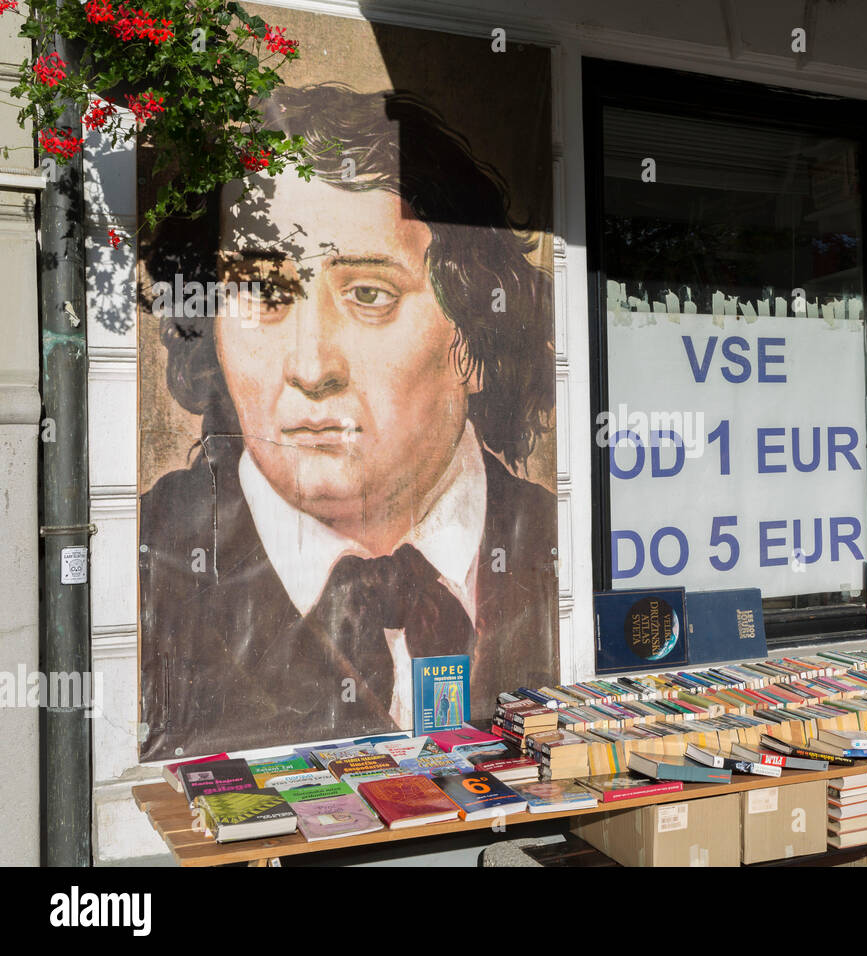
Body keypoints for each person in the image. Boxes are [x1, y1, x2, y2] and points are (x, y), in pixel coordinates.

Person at [138, 83, 558, 761]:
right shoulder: (146, 566)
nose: (310, 366)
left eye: (369, 294)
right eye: (263, 290)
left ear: (474, 341)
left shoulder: (559, 547)